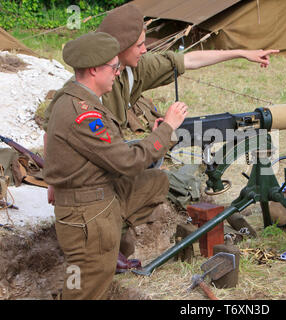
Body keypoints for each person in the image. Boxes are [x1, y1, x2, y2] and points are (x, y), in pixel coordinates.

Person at [43, 3, 278, 269]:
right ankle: (104, 242)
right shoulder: (85, 91)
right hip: (94, 172)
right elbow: (51, 129)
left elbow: (185, 60)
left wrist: (241, 54)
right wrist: (53, 180)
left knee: (153, 173)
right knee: (139, 162)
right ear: (119, 49)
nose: (145, 49)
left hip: (108, 155)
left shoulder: (134, 69)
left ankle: (113, 235)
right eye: (140, 44)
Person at [43, 32, 188, 299]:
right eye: (113, 67)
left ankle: (117, 239)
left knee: (156, 182)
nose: (118, 72)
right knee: (87, 288)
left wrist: (154, 137)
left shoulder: (69, 100)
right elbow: (127, 162)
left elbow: (102, 151)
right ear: (94, 70)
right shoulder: (84, 114)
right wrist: (167, 127)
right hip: (89, 218)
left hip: (92, 204)